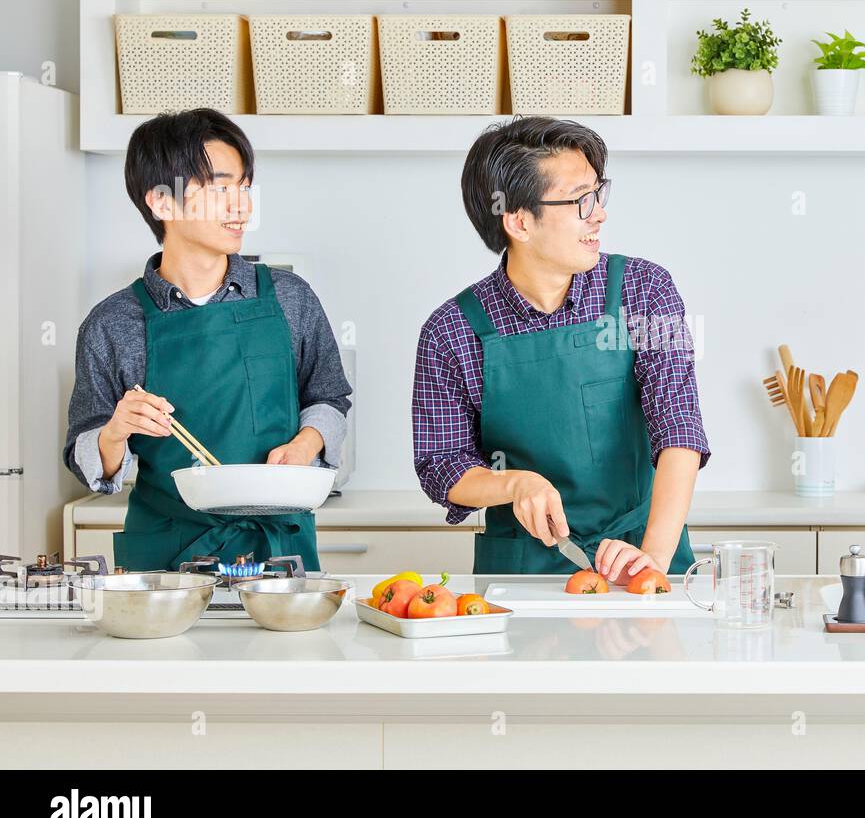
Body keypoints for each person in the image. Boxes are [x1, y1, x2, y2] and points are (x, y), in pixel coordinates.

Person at [413, 116, 709, 580]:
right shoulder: (451, 331)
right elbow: (443, 465)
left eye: (598, 193)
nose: (600, 214)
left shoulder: (646, 290)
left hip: (641, 552)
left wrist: (652, 558)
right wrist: (515, 482)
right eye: (580, 201)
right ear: (519, 221)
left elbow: (679, 428)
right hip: (522, 570)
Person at [64, 109, 352, 571]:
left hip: (279, 553)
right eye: (220, 189)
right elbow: (88, 461)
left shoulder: (289, 298)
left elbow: (329, 397)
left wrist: (305, 445)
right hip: (168, 557)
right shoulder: (111, 323)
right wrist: (117, 429)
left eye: (243, 188)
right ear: (161, 202)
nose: (242, 207)